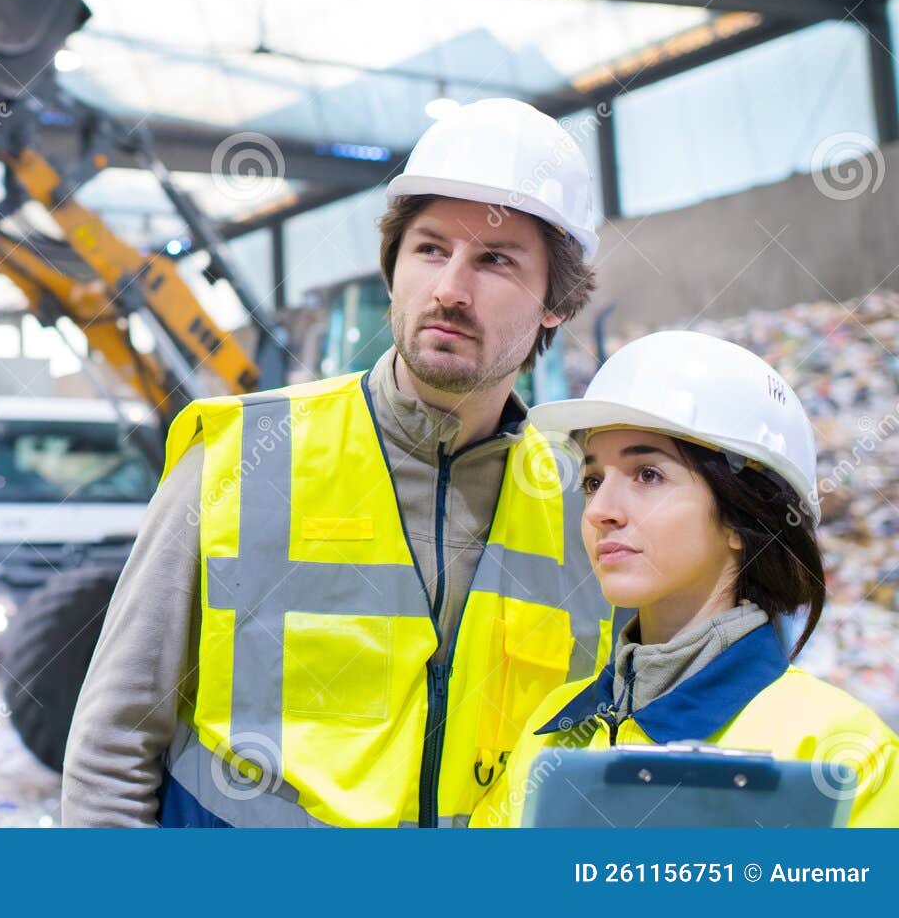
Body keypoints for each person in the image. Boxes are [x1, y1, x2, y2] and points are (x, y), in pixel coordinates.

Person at [61, 98, 617, 827]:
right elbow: (112, 745)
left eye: (495, 260)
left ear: (556, 303)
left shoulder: (591, 507)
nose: (450, 288)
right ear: (392, 268)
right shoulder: (237, 457)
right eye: (429, 249)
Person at [472, 330, 899, 827]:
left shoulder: (844, 751)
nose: (601, 511)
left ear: (744, 517)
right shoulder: (553, 730)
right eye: (593, 481)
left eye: (647, 475)